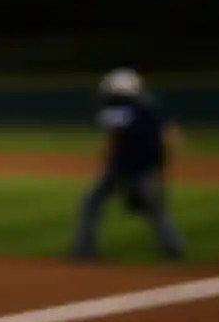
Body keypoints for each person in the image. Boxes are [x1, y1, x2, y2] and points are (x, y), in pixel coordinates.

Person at [70, 68, 184, 260]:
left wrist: (107, 158)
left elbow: (111, 139)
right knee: (156, 211)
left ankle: (84, 248)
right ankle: (172, 248)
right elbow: (173, 136)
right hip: (146, 169)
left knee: (90, 203)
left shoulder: (117, 110)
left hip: (121, 169)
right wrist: (160, 163)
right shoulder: (152, 108)